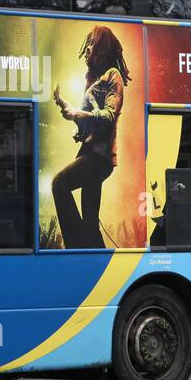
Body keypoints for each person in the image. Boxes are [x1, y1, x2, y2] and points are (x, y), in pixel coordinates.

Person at [51, 25, 130, 249]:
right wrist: (70, 111)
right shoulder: (96, 80)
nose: (87, 50)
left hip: (99, 158)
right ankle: (95, 261)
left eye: (91, 44)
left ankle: (76, 248)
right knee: (90, 224)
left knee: (59, 184)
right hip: (93, 155)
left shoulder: (113, 76)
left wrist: (78, 113)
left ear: (102, 47)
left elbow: (108, 115)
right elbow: (90, 122)